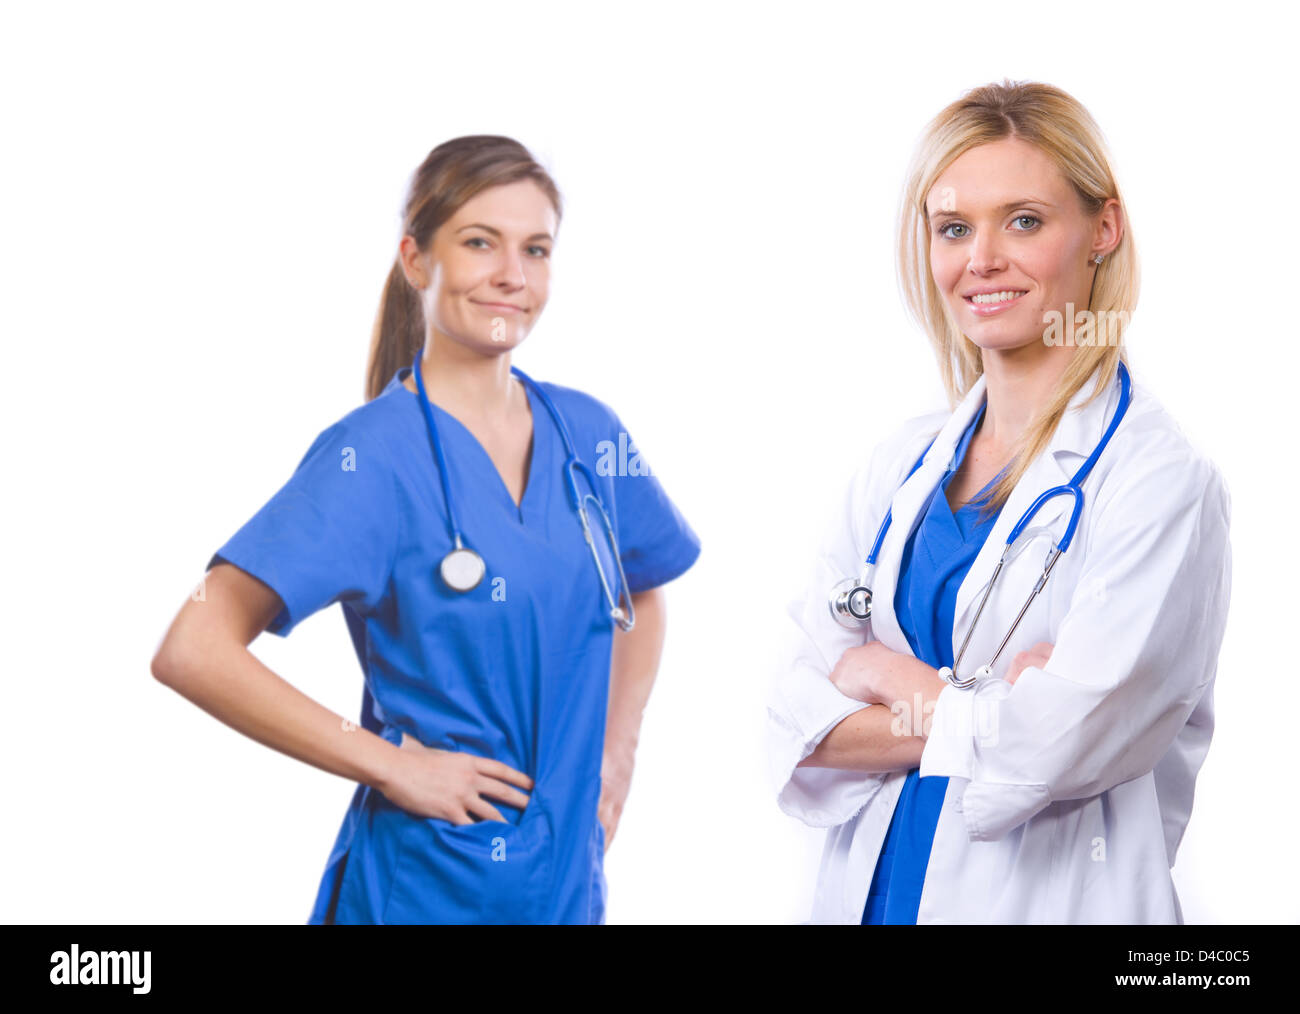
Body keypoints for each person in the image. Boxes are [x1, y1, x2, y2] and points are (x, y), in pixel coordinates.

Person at [151, 135, 701, 924]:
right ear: (416, 260)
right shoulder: (371, 458)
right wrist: (393, 766)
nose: (513, 275)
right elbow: (193, 648)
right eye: (480, 243)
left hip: (563, 890)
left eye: (536, 249)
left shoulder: (588, 433)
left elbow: (643, 589)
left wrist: (618, 753)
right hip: (423, 887)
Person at [766, 80, 1232, 924]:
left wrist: (881, 678)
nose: (981, 259)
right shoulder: (896, 466)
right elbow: (788, 715)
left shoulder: (1159, 483)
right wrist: (985, 706)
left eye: (1023, 220)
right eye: (954, 227)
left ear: (1103, 229)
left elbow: (1058, 744)